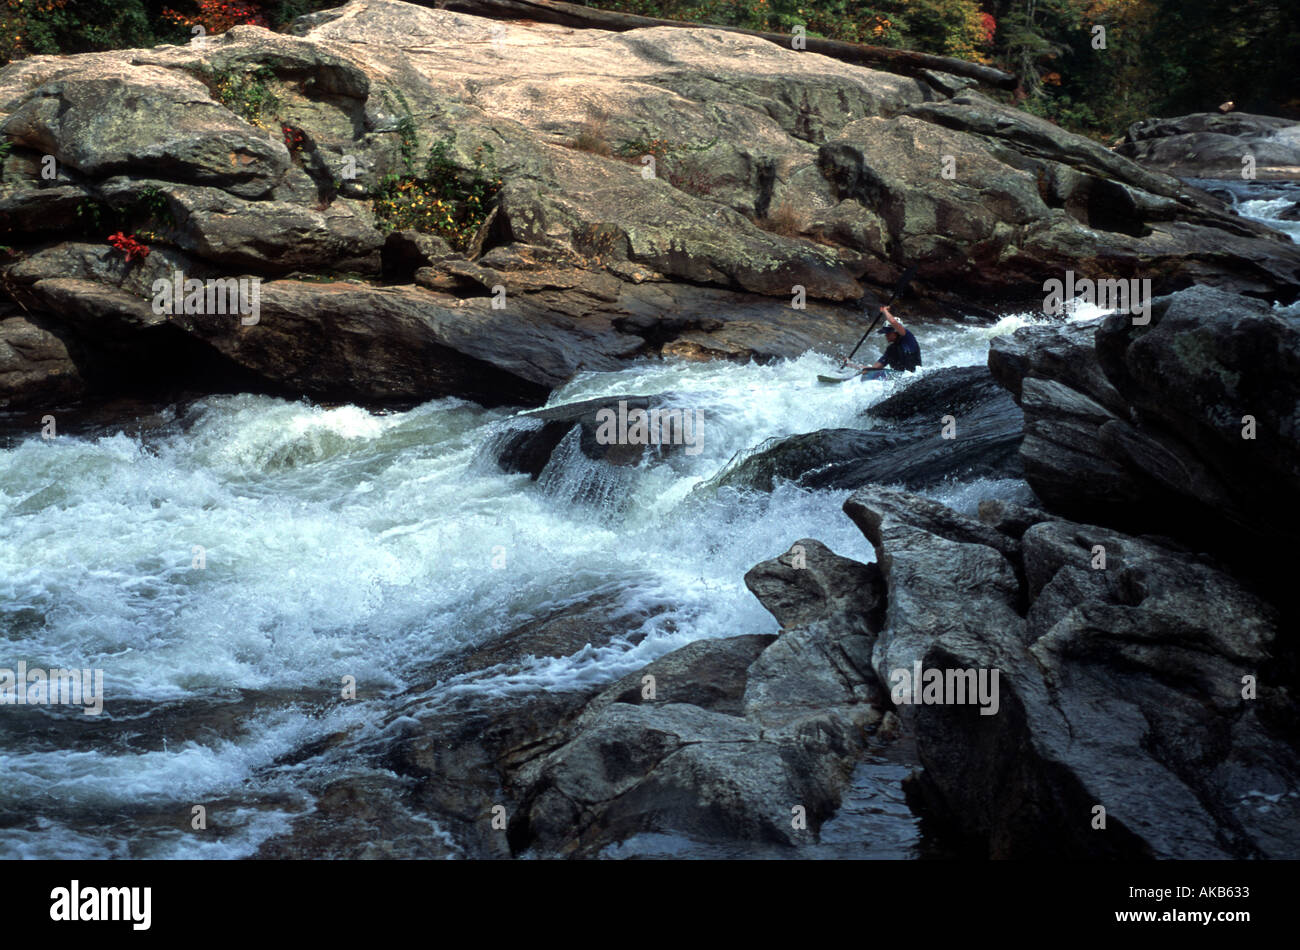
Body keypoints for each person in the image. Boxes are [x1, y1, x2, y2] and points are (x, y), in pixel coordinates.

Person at [841, 306, 921, 379]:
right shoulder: (891, 350)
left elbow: (893, 322)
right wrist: (850, 364)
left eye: (889, 333)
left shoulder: (908, 338)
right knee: (867, 371)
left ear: (896, 332)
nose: (886, 335)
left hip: (913, 375)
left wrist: (884, 310)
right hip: (899, 377)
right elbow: (874, 368)